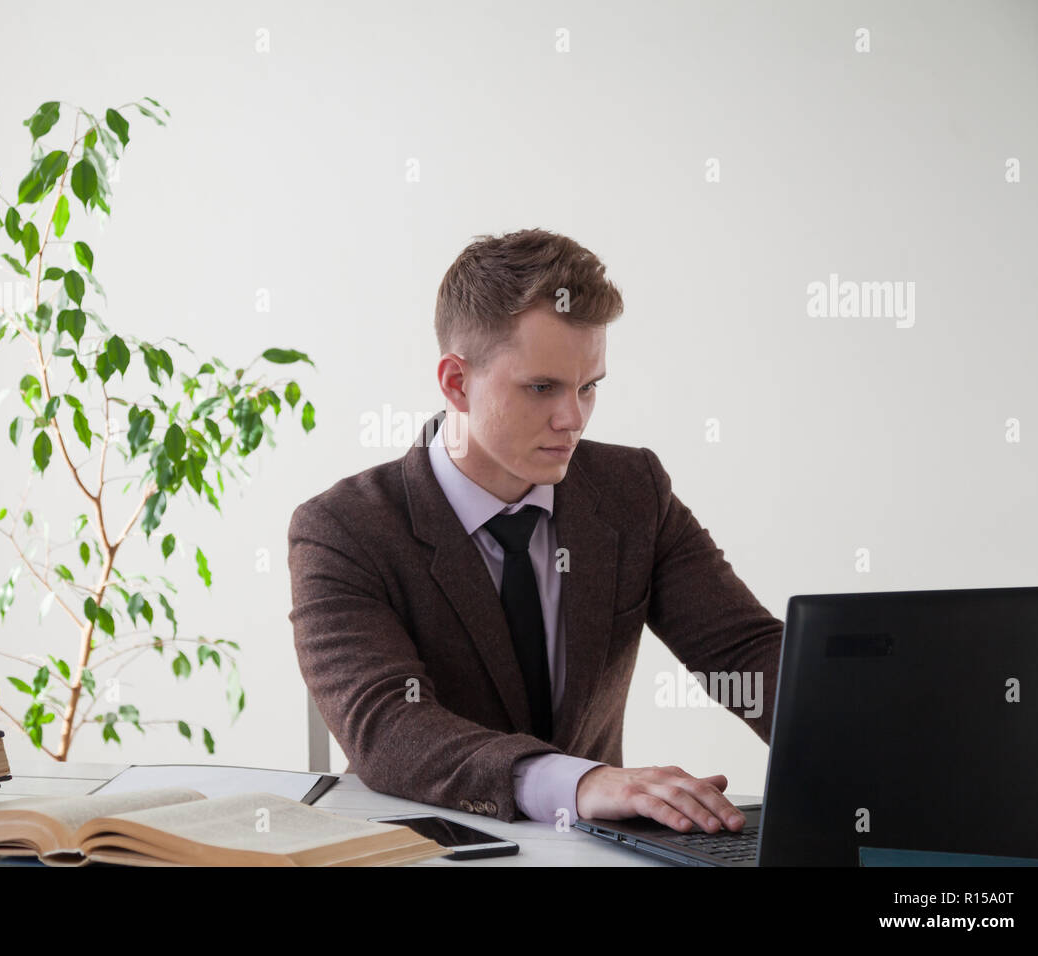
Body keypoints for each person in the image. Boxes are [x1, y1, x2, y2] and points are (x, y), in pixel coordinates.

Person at [287, 228, 781, 831]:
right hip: (431, 850)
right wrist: (579, 782)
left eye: (589, 387)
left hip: (596, 854)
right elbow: (386, 724)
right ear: (455, 382)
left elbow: (743, 652)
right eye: (541, 387)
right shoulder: (344, 529)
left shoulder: (633, 492)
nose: (572, 418)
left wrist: (869, 753)